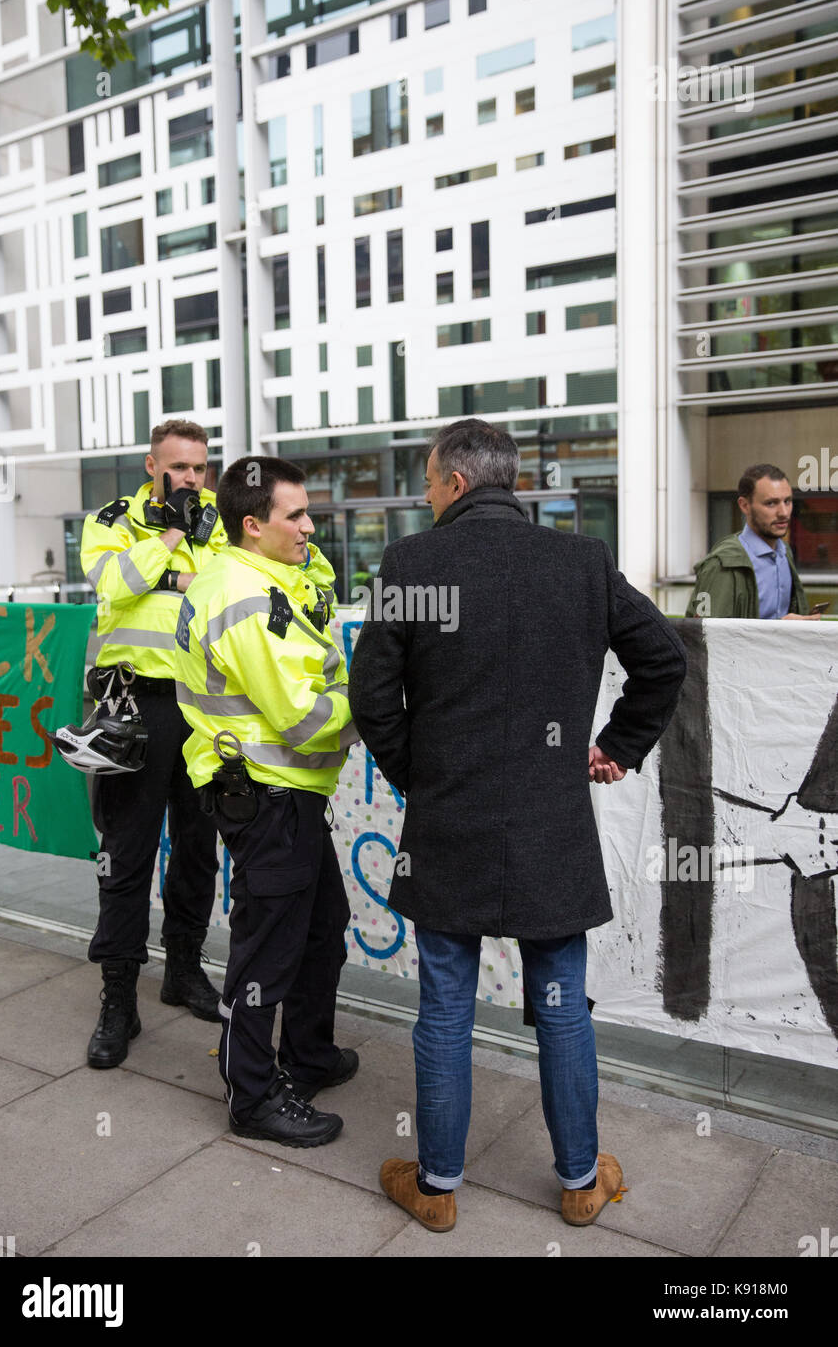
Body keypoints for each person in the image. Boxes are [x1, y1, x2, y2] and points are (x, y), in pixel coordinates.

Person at [347, 418, 688, 1233]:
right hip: (552, 830)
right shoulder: (581, 563)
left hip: (448, 830)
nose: (426, 498)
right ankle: (579, 1181)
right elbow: (664, 661)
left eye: (429, 484)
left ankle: (436, 1186)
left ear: (457, 484)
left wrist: (422, 781)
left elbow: (371, 701)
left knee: (444, 1009)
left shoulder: (412, 565)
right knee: (564, 1006)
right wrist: (616, 748)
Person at [172, 455, 361, 1147]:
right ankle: (251, 1095)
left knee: (320, 926)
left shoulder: (257, 574)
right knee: (267, 950)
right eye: (296, 516)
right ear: (252, 526)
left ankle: (306, 1055)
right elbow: (304, 717)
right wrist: (372, 700)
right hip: (266, 792)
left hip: (286, 792)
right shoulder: (242, 594)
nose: (310, 526)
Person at [80, 419, 229, 1068]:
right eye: (180, 468)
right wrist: (170, 537)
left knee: (198, 846)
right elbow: (114, 585)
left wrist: (176, 571)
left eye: (199, 468)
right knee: (127, 852)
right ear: (151, 465)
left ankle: (184, 969)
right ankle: (119, 999)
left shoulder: (222, 525)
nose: (192, 479)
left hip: (201, 705)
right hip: (133, 705)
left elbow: (231, 593)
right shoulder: (113, 520)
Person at [685, 464, 819, 619]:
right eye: (771, 503)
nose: (783, 513)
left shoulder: (784, 552)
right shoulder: (722, 563)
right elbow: (704, 634)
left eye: (787, 501)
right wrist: (780, 629)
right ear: (745, 505)